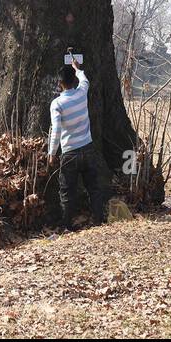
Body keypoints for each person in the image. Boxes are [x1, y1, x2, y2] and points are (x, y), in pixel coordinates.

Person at [47, 51, 108, 228]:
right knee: (93, 187)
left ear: (59, 84)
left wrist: (52, 153)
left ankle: (67, 224)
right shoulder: (82, 94)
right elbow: (85, 81)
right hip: (88, 148)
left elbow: (56, 130)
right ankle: (98, 219)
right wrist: (78, 69)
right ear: (73, 80)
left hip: (69, 153)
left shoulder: (57, 104)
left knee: (67, 191)